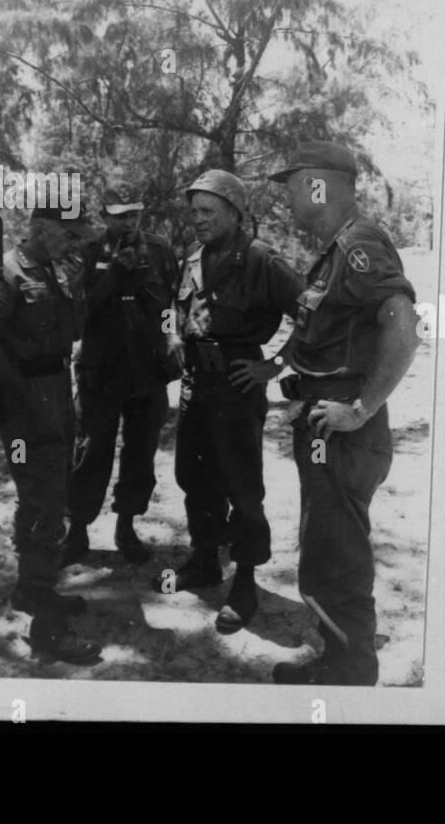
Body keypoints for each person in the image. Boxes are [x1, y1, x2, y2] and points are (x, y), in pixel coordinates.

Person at [267, 142, 420, 686]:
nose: (286, 195)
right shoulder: (337, 248)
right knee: (327, 553)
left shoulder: (359, 245)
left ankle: (350, 679)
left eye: (291, 183)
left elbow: (403, 329)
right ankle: (339, 660)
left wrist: (360, 408)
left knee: (338, 560)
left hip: (343, 432)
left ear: (317, 185)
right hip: (323, 426)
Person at [155, 169, 303, 636]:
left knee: (241, 485)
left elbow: (311, 313)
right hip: (196, 384)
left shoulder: (261, 260)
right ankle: (204, 559)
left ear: (235, 214)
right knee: (194, 476)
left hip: (237, 387)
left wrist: (274, 364)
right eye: (194, 211)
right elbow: (173, 309)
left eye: (207, 211)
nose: (197, 220)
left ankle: (244, 580)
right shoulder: (194, 258)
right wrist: (173, 335)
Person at [0, 200, 100, 663]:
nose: (74, 243)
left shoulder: (54, 270)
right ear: (42, 228)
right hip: (24, 405)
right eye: (69, 234)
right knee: (44, 503)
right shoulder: (4, 273)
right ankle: (47, 628)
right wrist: (22, 403)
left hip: (54, 393)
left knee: (51, 497)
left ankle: (33, 588)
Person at [64, 180, 181, 566]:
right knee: (91, 449)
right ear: (104, 217)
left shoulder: (161, 250)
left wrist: (170, 339)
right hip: (101, 370)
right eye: (119, 217)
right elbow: (78, 313)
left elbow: (169, 307)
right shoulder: (88, 251)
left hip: (146, 371)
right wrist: (112, 274)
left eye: (133, 215)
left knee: (140, 451)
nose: (128, 223)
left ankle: (126, 525)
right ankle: (77, 528)